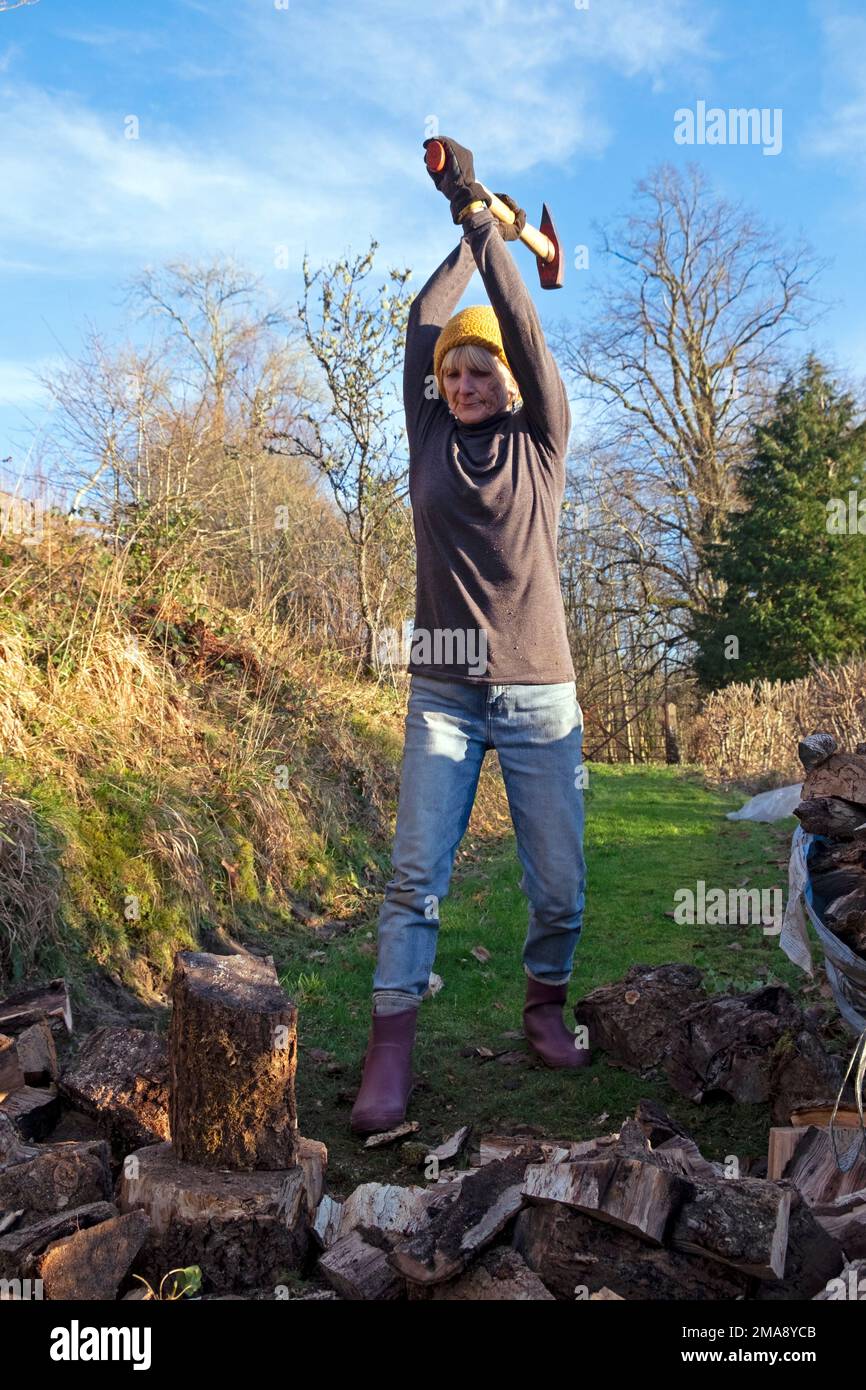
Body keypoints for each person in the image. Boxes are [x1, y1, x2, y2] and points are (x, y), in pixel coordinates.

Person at [350, 137, 588, 1136]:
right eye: (454, 371)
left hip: (537, 694)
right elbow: (418, 322)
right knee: (415, 875)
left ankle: (542, 1004)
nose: (465, 380)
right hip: (442, 690)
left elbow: (522, 320)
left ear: (510, 378)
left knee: (561, 887)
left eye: (481, 366)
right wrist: (467, 222)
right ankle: (388, 1054)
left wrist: (487, 230)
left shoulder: (541, 441)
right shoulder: (428, 441)